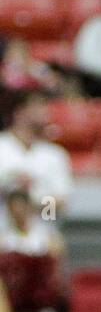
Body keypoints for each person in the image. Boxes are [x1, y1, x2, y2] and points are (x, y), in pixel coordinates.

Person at [0, 183, 67, 312]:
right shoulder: (4, 237)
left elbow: (58, 260)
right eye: (13, 208)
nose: (17, 211)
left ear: (29, 207)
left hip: (42, 301)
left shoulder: (46, 234)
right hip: (13, 301)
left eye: (20, 206)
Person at [0, 91, 72, 219]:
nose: (45, 112)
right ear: (19, 112)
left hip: (42, 234)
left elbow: (58, 207)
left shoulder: (54, 155)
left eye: (45, 106)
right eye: (38, 106)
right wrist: (10, 183)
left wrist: (31, 198)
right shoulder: (3, 146)